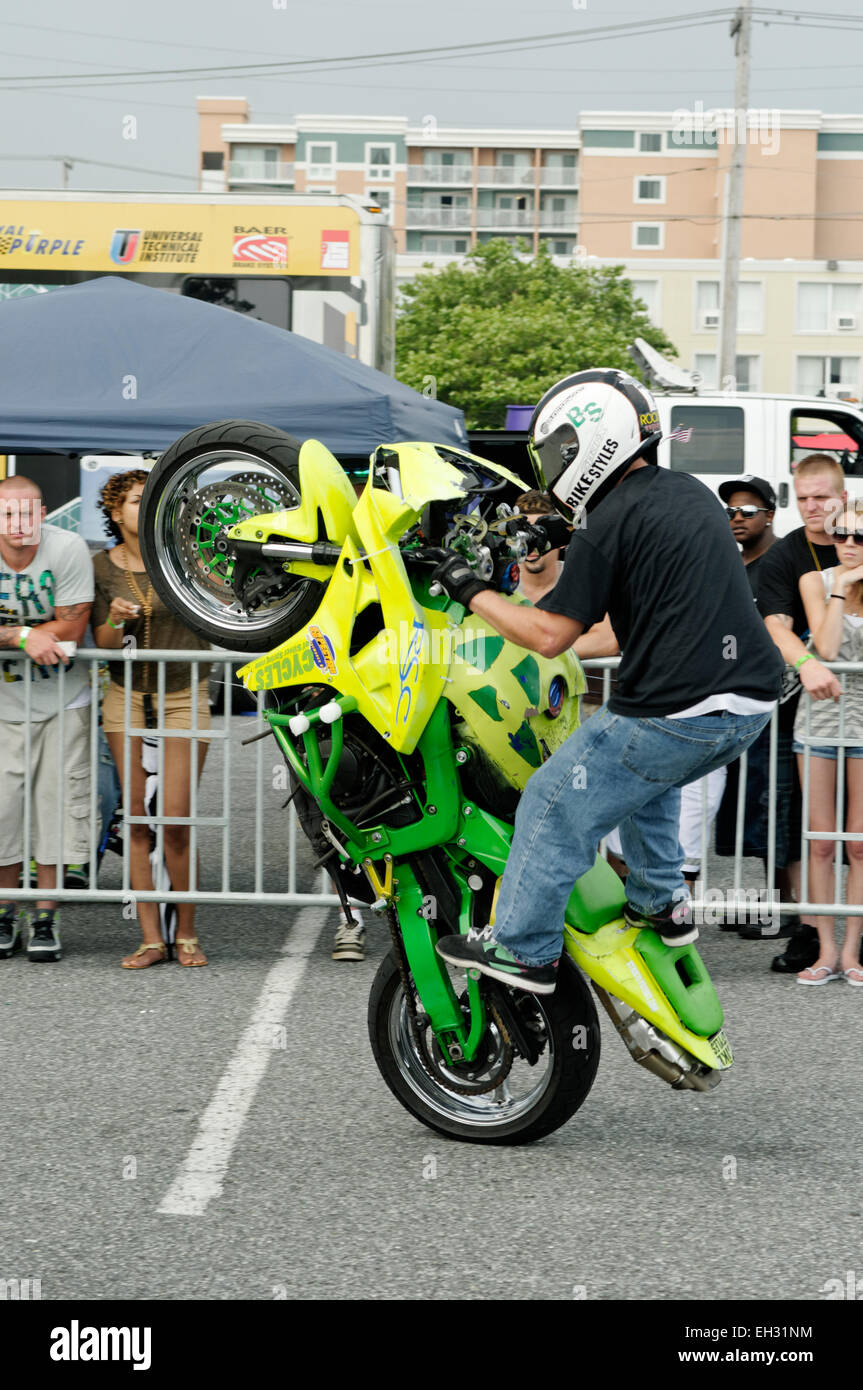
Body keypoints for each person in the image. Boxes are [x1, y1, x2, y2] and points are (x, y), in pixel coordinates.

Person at [431, 368, 783, 993]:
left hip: (677, 712)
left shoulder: (608, 523)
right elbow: (631, 595)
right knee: (646, 776)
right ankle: (662, 903)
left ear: (587, 444)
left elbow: (549, 636)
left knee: (551, 801)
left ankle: (522, 948)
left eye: (557, 451)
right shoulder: (691, 493)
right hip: (749, 707)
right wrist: (568, 533)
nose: (552, 466)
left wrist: (469, 587)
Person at [92, 470, 212, 968]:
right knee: (138, 820)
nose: (145, 507)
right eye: (137, 500)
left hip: (184, 694)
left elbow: (222, 608)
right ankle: (149, 939)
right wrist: (114, 620)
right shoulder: (101, 566)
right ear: (115, 511)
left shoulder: (184, 558)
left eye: (152, 499)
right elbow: (101, 643)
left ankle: (187, 933)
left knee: (176, 821)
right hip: (126, 696)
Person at [757, 454, 848, 972]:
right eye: (804, 497)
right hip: (803, 703)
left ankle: (856, 929)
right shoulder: (786, 555)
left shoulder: (856, 541)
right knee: (801, 824)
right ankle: (811, 932)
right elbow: (776, 625)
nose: (812, 506)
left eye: (822, 497)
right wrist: (808, 663)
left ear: (842, 496)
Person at [0, 476, 93, 962]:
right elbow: (51, 627)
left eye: (27, 511)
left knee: (54, 810)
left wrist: (23, 632)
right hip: (3, 704)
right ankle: (4, 912)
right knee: (3, 811)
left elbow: (73, 625)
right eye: (7, 513)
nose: (18, 522)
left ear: (42, 513)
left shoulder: (67, 547)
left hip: (63, 699)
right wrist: (24, 636)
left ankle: (44, 917)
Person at [713, 475, 798, 937]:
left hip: (778, 701)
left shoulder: (783, 560)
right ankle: (762, 902)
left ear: (769, 514)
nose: (737, 518)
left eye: (747, 511)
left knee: (773, 804)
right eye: (730, 511)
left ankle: (784, 909)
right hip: (733, 698)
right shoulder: (728, 562)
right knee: (744, 804)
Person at [792, 509, 863, 984]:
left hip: (862, 727)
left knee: (859, 845)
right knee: (819, 842)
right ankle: (826, 950)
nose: (849, 542)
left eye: (860, 535)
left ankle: (853, 952)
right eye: (841, 533)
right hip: (818, 722)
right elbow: (829, 648)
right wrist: (842, 586)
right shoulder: (815, 581)